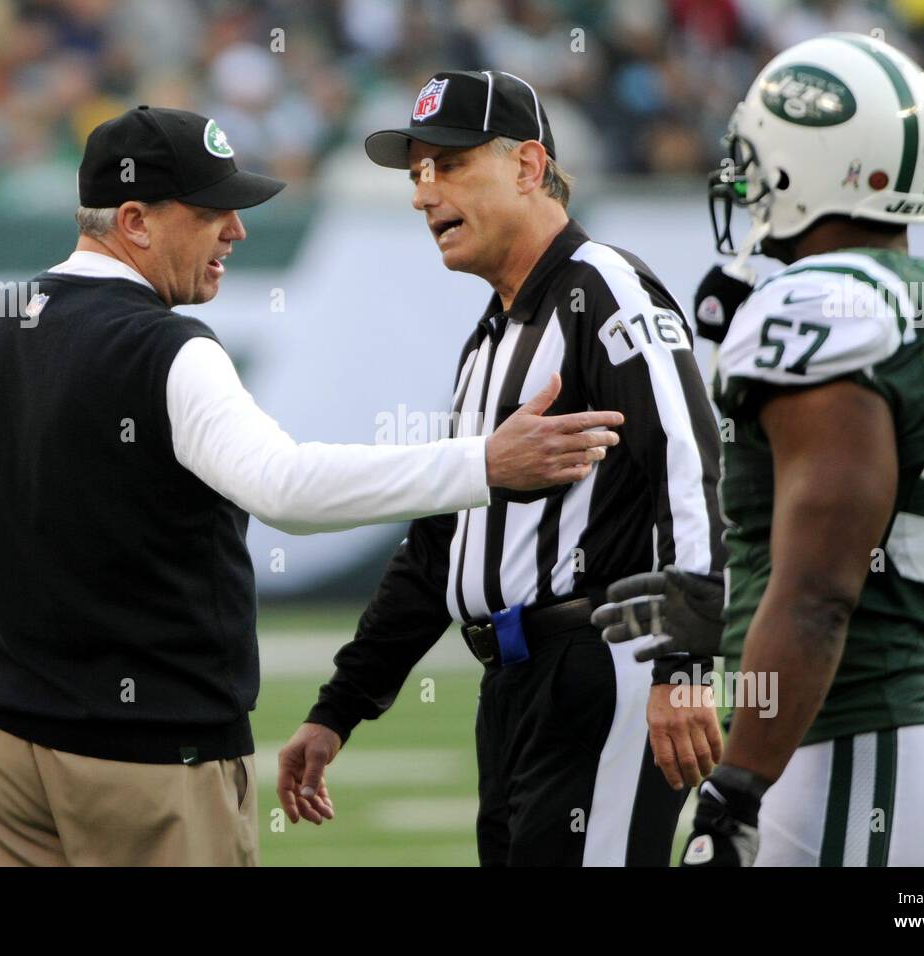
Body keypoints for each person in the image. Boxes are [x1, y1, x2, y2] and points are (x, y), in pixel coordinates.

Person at [0, 105, 624, 867]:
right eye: (213, 212)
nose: (235, 232)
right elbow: (286, 487)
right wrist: (481, 464)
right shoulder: (167, 349)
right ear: (136, 220)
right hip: (151, 763)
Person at [598, 34, 924, 866]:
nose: (746, 179)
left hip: (846, 761)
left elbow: (826, 588)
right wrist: (738, 608)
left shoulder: (817, 308)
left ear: (811, 163)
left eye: (759, 157)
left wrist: (734, 792)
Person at [278, 71, 724, 866]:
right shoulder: (492, 336)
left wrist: (684, 666)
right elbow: (440, 548)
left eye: (447, 165)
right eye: (418, 171)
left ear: (527, 166)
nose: (423, 194)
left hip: (604, 663)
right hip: (514, 683)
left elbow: (684, 468)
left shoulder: (604, 287)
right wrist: (337, 709)